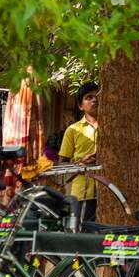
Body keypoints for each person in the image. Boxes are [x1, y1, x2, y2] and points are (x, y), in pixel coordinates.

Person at [59, 83, 100, 222]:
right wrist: (80, 163)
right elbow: (61, 164)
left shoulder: (114, 128)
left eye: (97, 96)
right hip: (83, 194)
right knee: (83, 236)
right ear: (80, 106)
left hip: (110, 193)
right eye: (89, 97)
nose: (95, 100)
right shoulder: (73, 130)